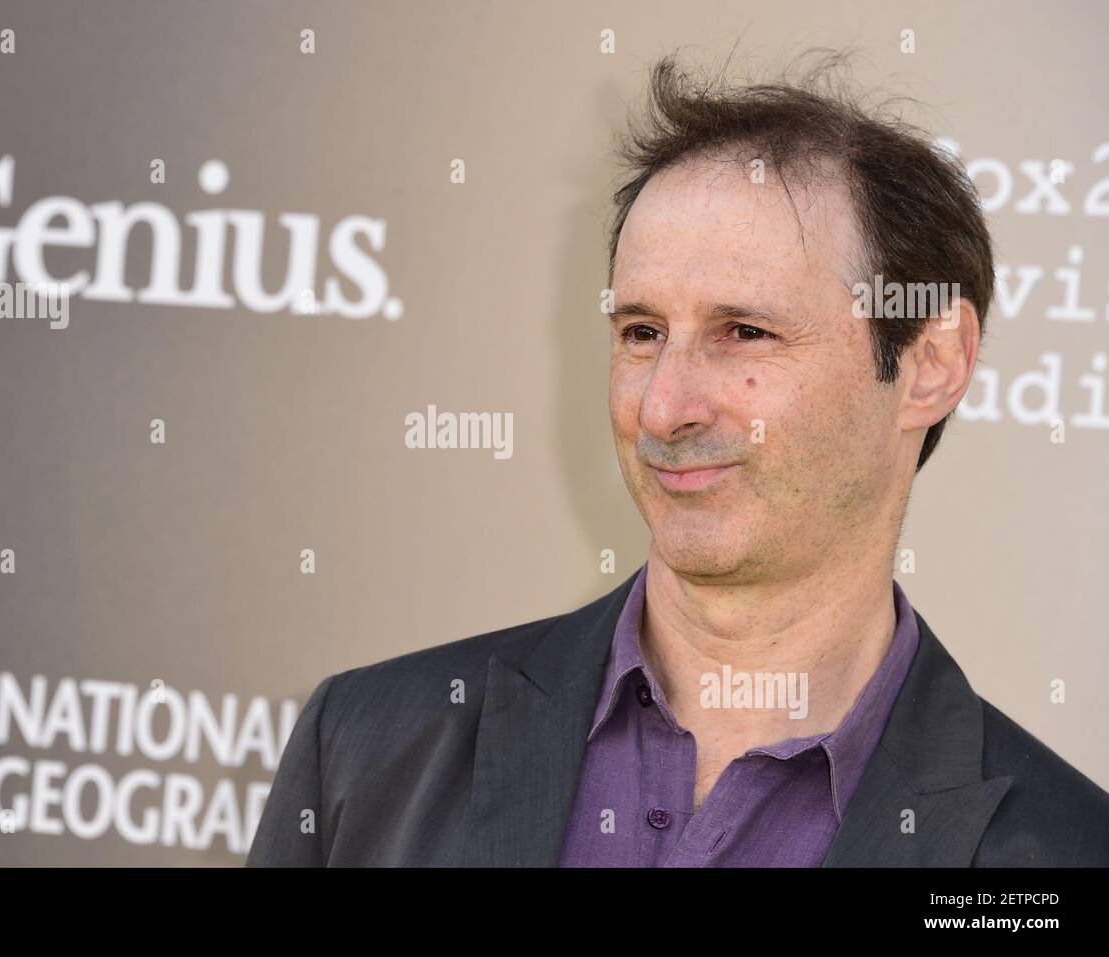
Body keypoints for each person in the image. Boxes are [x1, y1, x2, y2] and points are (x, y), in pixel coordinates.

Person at [247, 53, 1109, 867]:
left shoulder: (1063, 851)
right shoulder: (364, 747)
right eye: (642, 333)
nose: (664, 406)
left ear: (929, 363)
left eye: (745, 332)